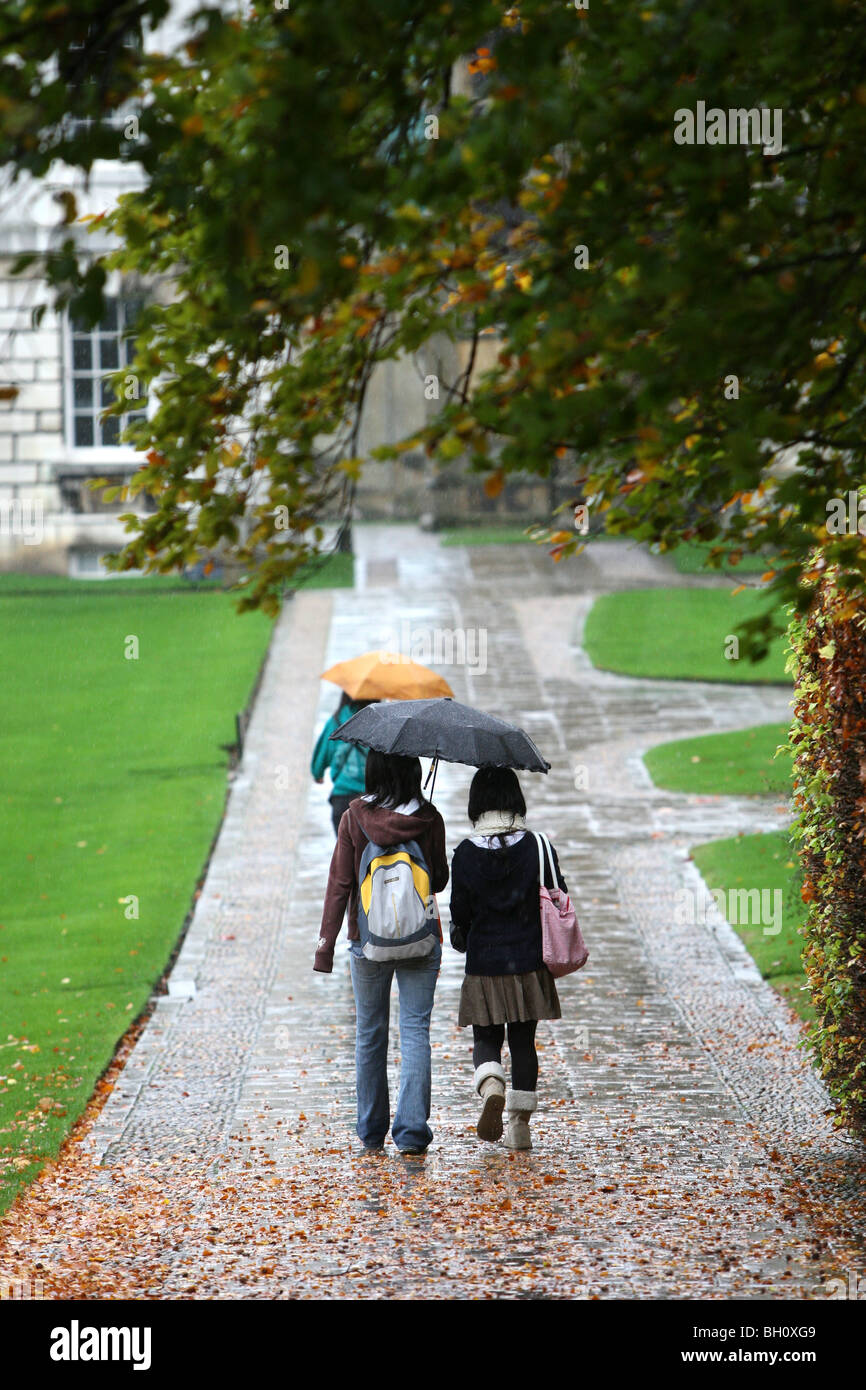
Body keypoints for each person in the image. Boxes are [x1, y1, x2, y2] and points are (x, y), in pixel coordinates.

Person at [314, 750, 449, 1155]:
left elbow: (340, 884)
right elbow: (439, 880)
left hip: (366, 941)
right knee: (415, 1031)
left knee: (370, 1034)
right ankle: (410, 1132)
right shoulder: (428, 817)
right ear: (413, 771)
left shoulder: (354, 817)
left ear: (372, 772)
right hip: (421, 938)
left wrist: (325, 947)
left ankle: (371, 1129)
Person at [449, 766, 566, 1151]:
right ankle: (519, 1127)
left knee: (485, 1039)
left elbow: (460, 915)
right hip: (528, 964)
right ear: (516, 800)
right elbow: (557, 892)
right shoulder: (537, 845)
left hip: (484, 967)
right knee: (523, 1043)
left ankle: (492, 1084)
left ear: (477, 804)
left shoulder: (465, 854)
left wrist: (462, 934)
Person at [311, 693, 375, 834]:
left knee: (344, 851)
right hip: (372, 799)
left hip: (343, 799)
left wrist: (318, 773)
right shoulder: (381, 719)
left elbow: (322, 752)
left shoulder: (337, 720)